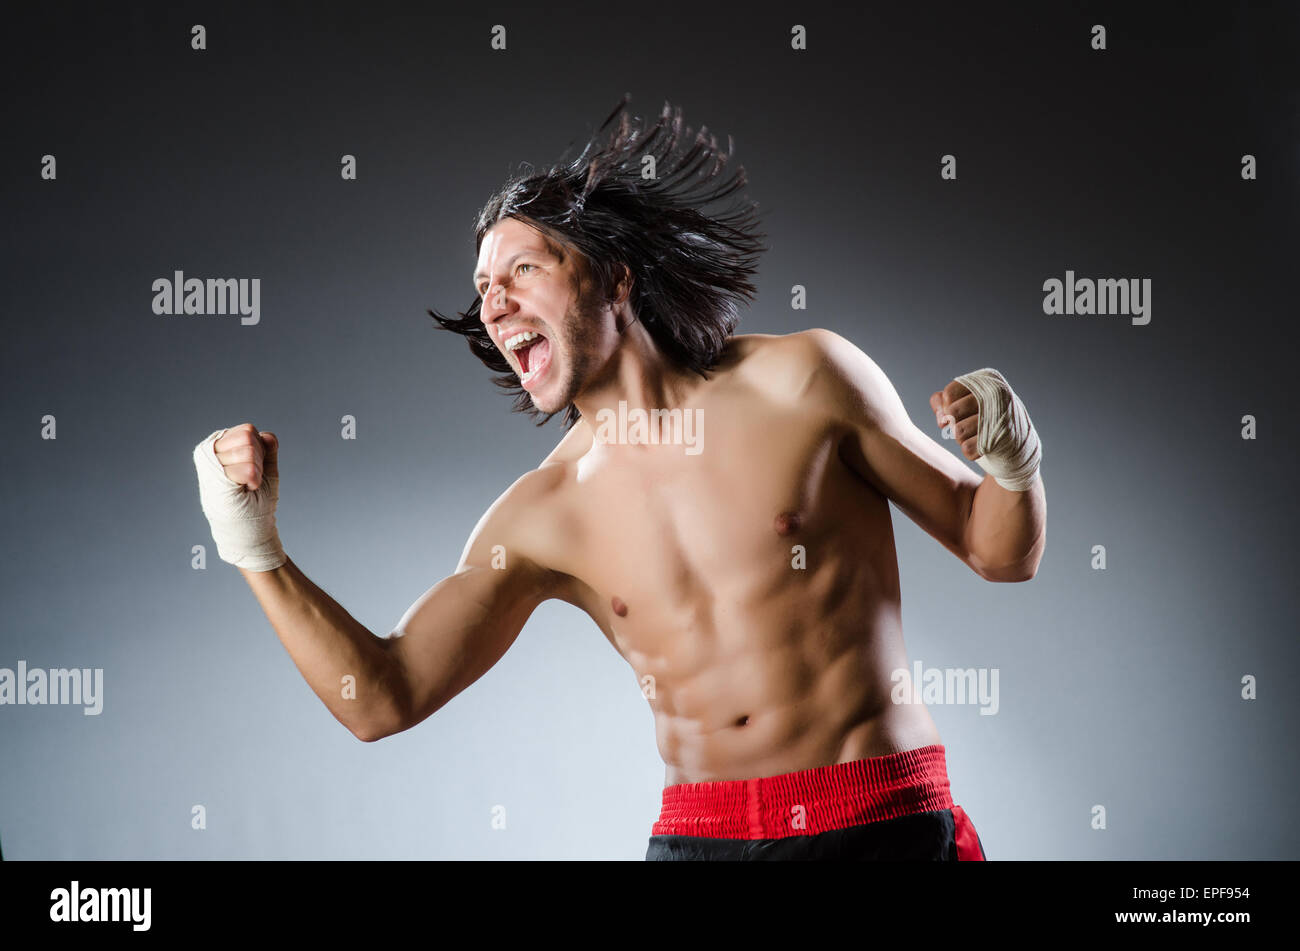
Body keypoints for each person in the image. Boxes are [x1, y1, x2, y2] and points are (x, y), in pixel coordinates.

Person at [193, 96, 1045, 861]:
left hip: (870, 827)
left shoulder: (806, 380)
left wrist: (1014, 464)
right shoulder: (541, 514)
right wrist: (254, 546)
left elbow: (997, 548)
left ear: (615, 275)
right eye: (484, 289)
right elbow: (382, 697)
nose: (492, 305)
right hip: (695, 841)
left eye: (522, 269)